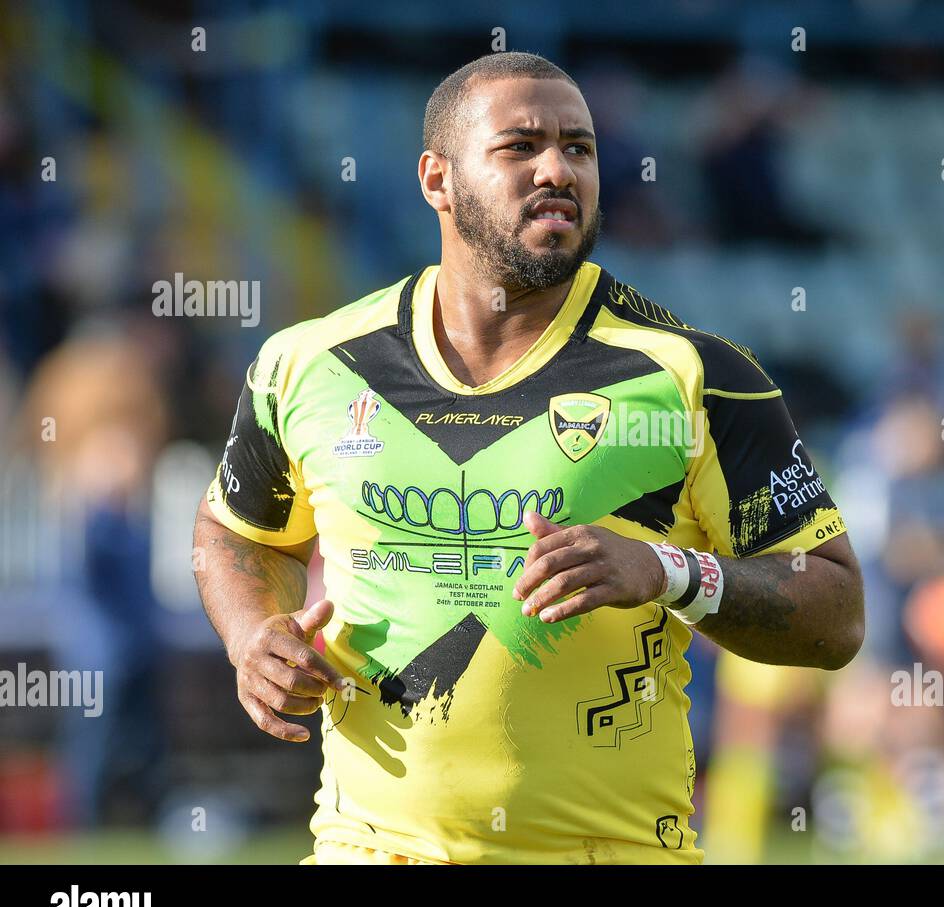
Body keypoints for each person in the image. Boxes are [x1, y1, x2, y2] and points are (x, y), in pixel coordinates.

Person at [192, 51, 864, 865]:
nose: (558, 169)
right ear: (437, 180)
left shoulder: (694, 377)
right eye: (520, 147)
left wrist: (671, 571)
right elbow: (233, 531)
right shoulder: (309, 365)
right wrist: (252, 634)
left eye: (579, 148)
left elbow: (836, 613)